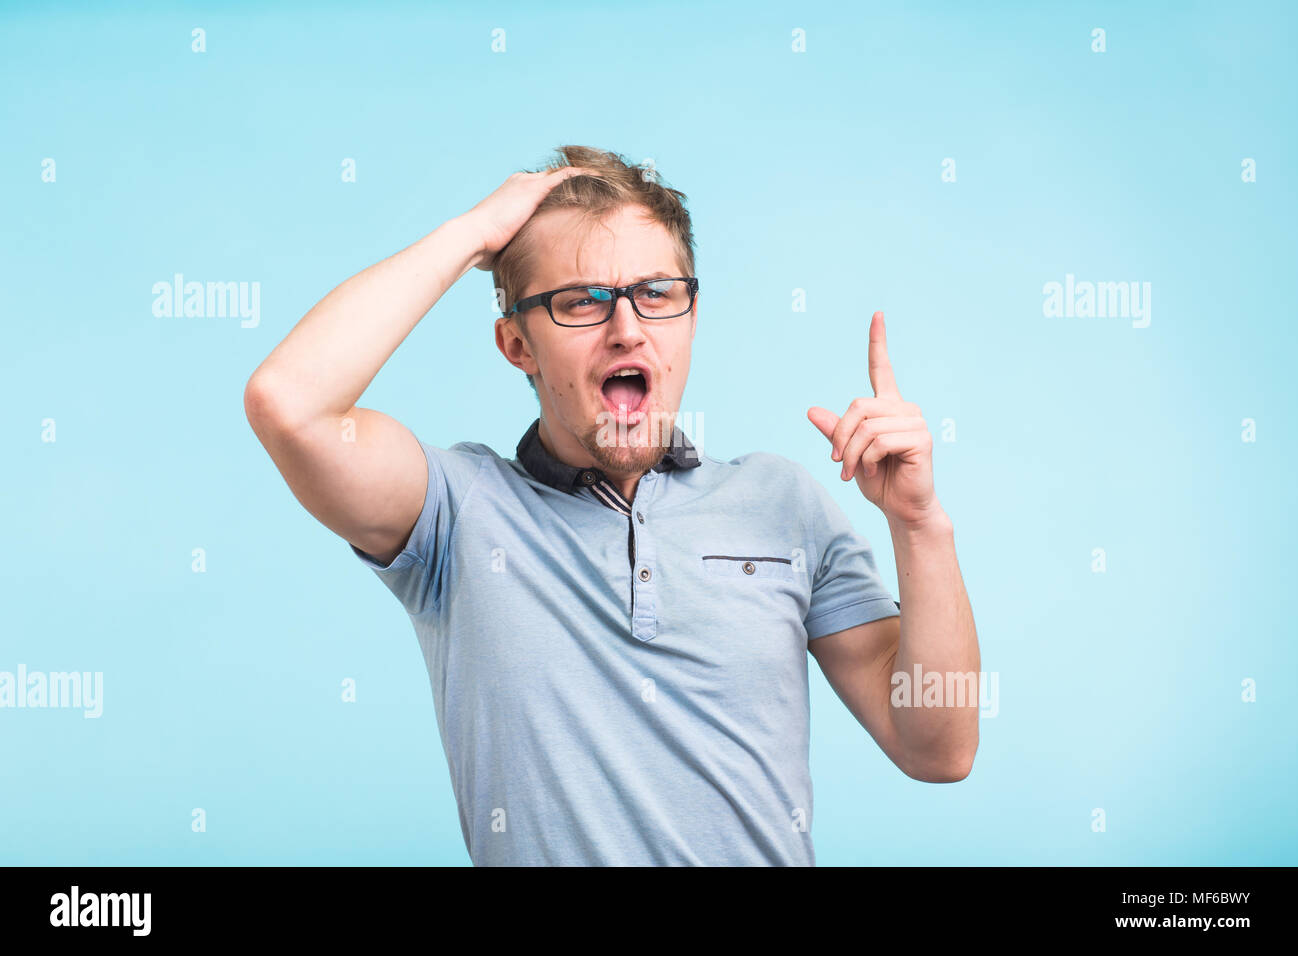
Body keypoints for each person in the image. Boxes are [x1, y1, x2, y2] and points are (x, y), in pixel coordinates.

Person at [243, 145, 980, 866]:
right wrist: (472, 234)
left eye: (656, 294)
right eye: (582, 301)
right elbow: (289, 404)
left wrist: (920, 525)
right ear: (516, 346)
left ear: (691, 319)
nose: (627, 327)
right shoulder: (454, 513)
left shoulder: (783, 503)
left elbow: (939, 748)